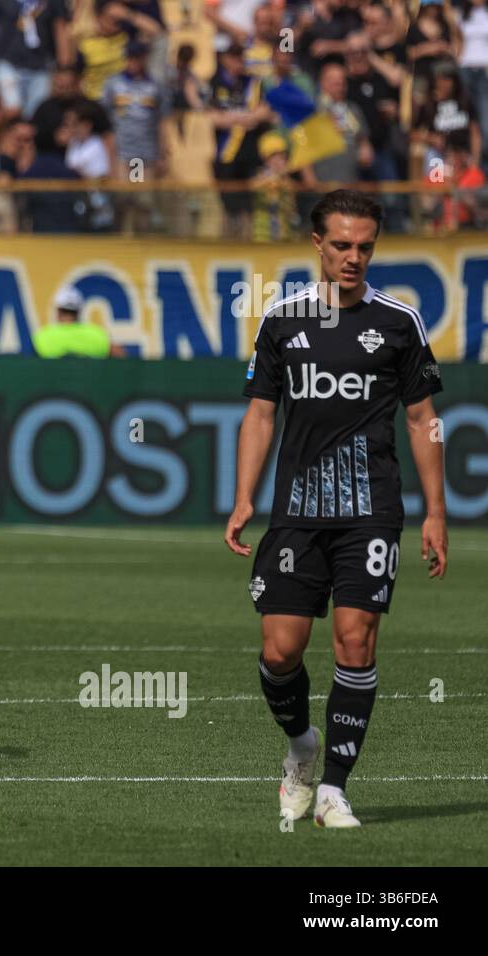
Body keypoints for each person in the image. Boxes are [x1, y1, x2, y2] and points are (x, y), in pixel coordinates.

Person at [225, 189, 448, 829]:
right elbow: (260, 414)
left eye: (366, 246)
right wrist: (243, 496)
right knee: (279, 652)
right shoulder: (283, 319)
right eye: (343, 245)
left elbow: (423, 419)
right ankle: (301, 746)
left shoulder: (400, 323)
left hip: (371, 510)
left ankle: (333, 790)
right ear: (318, 244)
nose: (354, 257)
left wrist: (436, 510)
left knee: (355, 641)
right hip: (296, 511)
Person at [33, 286, 122, 356]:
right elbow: (121, 358)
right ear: (79, 311)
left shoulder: (43, 336)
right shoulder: (98, 334)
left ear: (58, 311)